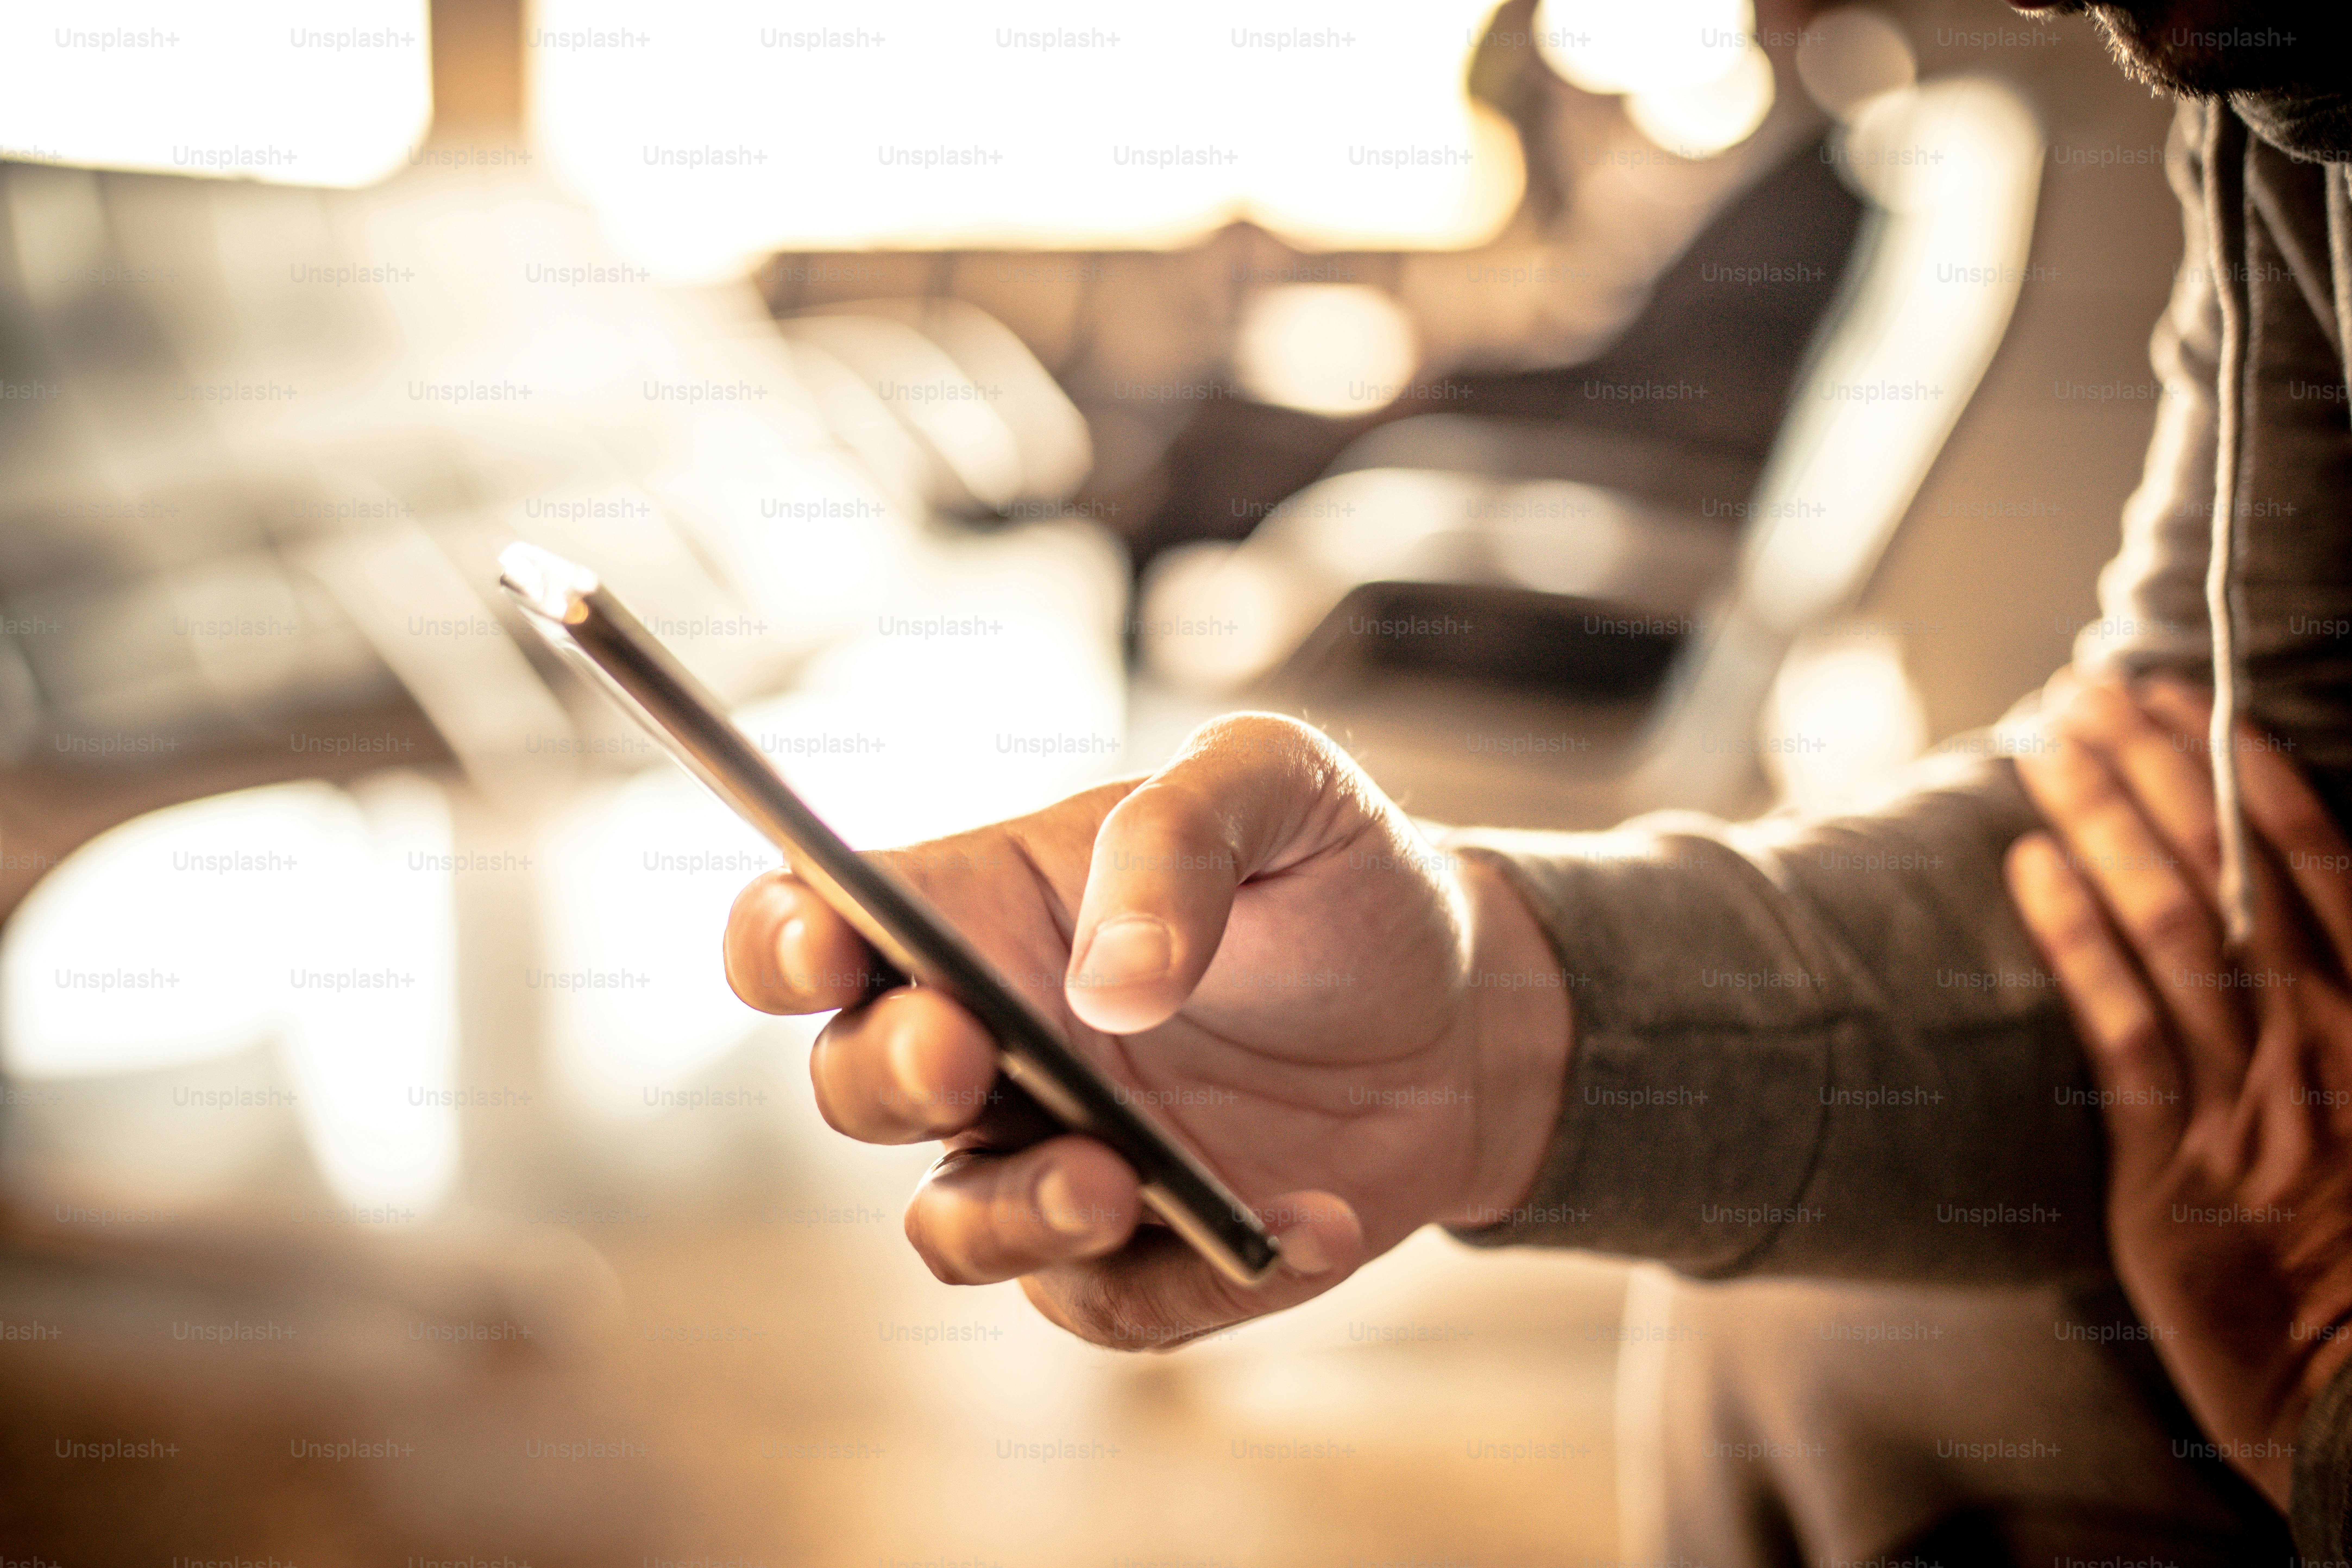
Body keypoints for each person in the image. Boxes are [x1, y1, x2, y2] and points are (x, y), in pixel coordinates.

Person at [724, 0, 2352, 1558]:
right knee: (1811, 1333)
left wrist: (2323, 1411)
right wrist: (1490, 1027)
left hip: (1621, 585)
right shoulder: (2269, 111)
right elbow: (2203, 873)